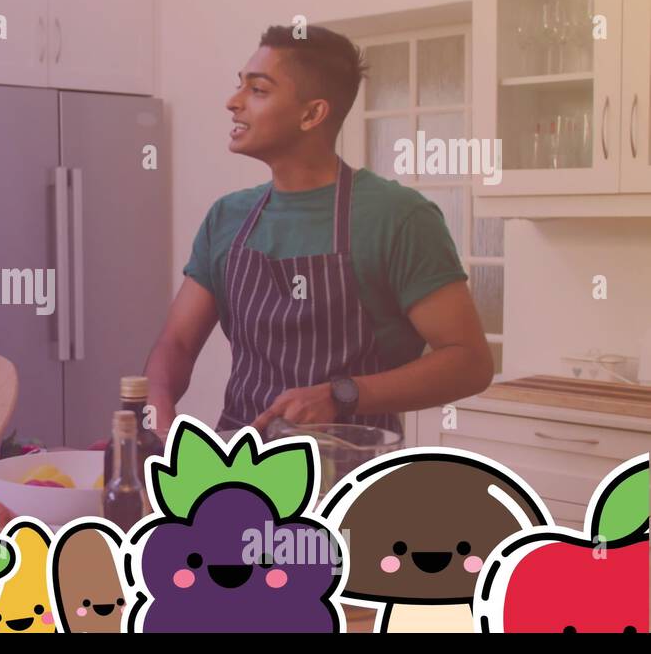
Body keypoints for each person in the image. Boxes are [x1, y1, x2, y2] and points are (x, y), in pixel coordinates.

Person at [145, 24, 494, 439]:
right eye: (240, 86)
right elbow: (177, 344)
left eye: (257, 90)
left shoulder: (398, 218)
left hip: (350, 473)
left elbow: (469, 362)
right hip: (240, 469)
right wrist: (158, 417)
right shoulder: (228, 217)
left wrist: (342, 393)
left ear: (312, 114)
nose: (232, 102)